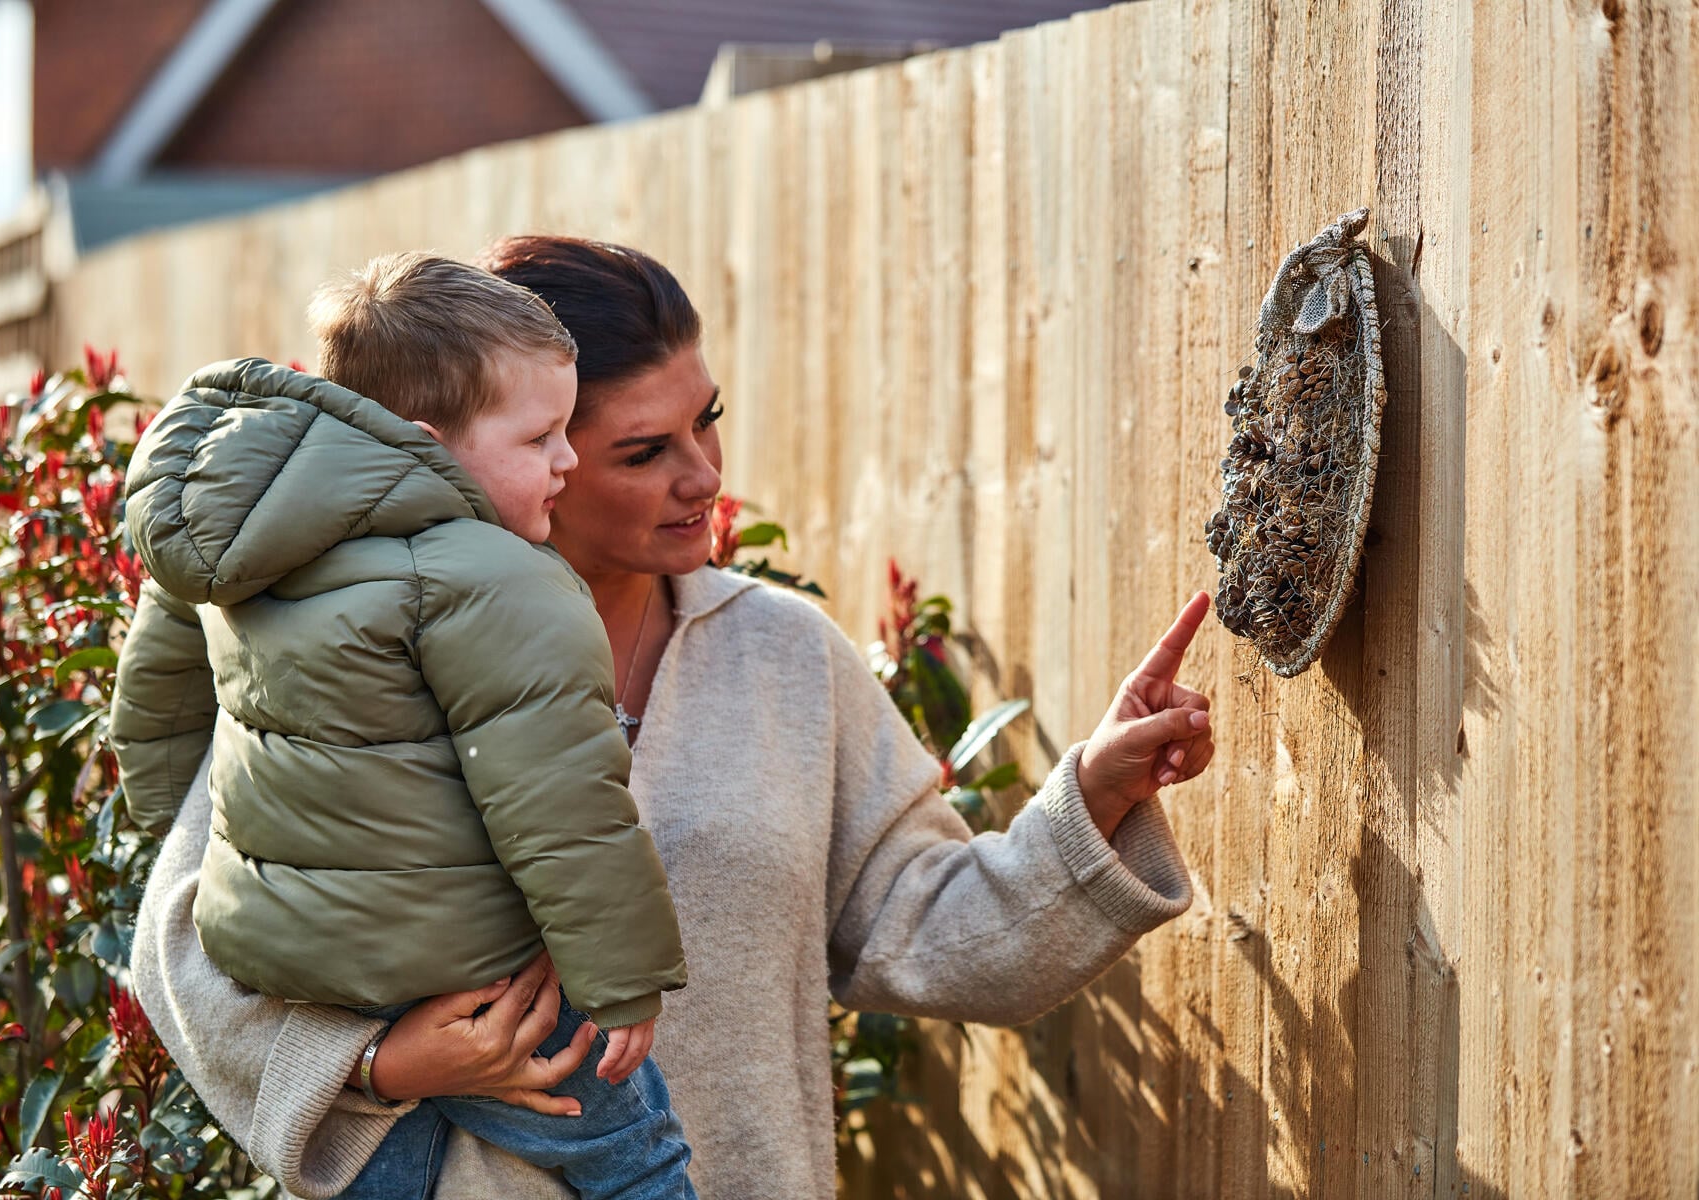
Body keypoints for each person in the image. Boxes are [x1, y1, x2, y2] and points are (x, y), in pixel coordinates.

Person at [120, 236, 1216, 1200]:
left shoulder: (784, 656)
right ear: (486, 454)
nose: (706, 479)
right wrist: (374, 1065)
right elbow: (183, 945)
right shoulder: (346, 649)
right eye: (643, 452)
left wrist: (1098, 795)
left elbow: (924, 932)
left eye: (709, 423)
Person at [112, 251, 697, 1198]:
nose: (568, 459)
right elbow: (563, 806)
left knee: (387, 1166)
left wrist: (162, 818)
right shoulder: (496, 577)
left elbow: (155, 702)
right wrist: (622, 980)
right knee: (637, 1160)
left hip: (281, 958)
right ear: (429, 442)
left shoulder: (232, 538)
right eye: (542, 436)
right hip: (468, 974)